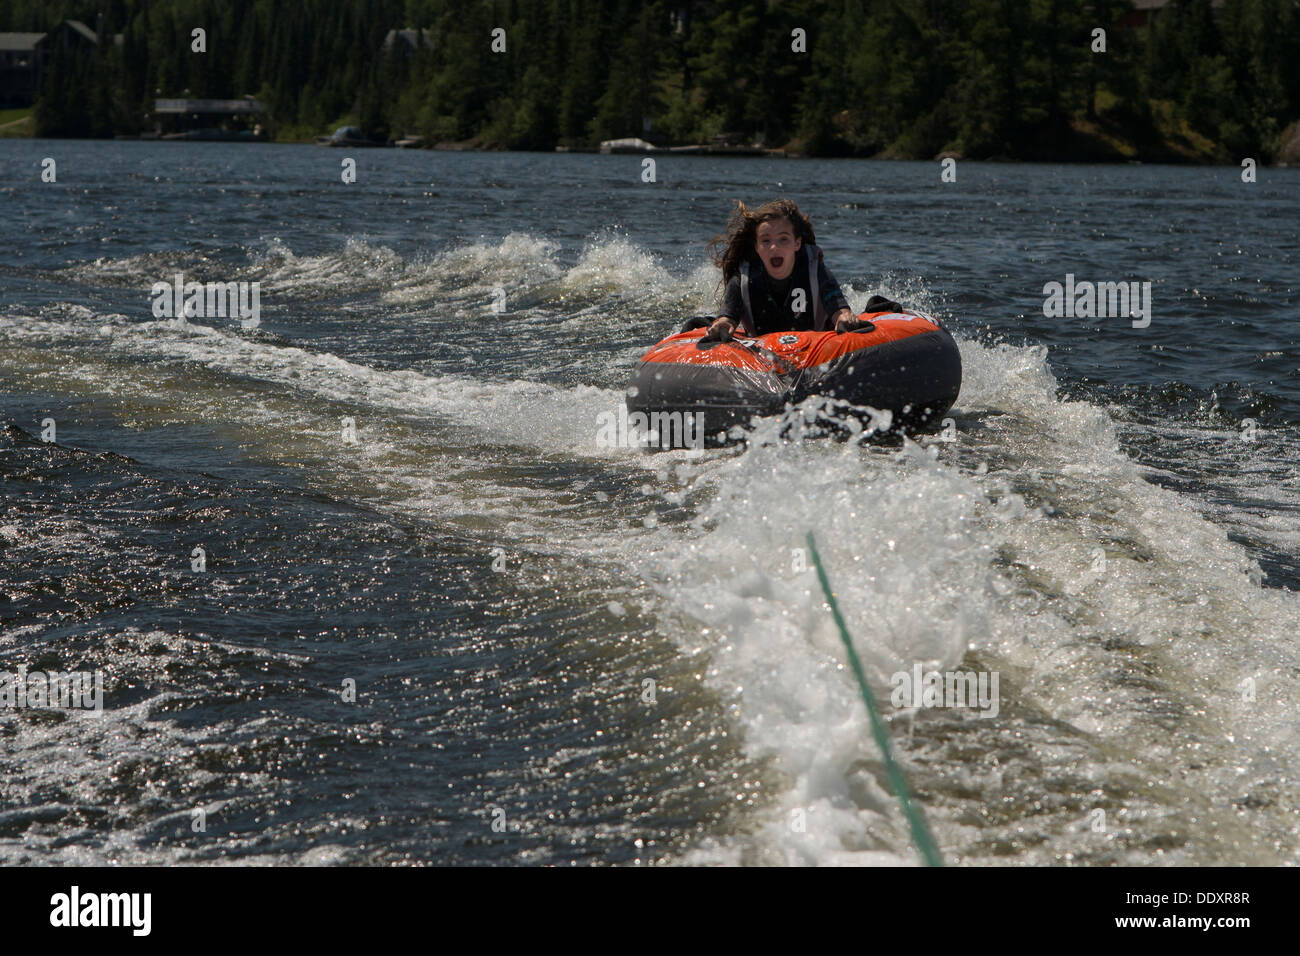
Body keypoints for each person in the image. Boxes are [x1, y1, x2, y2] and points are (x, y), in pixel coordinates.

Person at [700, 199, 872, 344]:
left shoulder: (816, 272)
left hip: (816, 346)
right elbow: (728, 317)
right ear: (757, 247)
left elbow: (839, 311)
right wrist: (722, 323)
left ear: (797, 244)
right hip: (760, 352)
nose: (774, 247)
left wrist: (844, 318)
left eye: (783, 239)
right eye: (766, 241)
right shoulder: (742, 281)